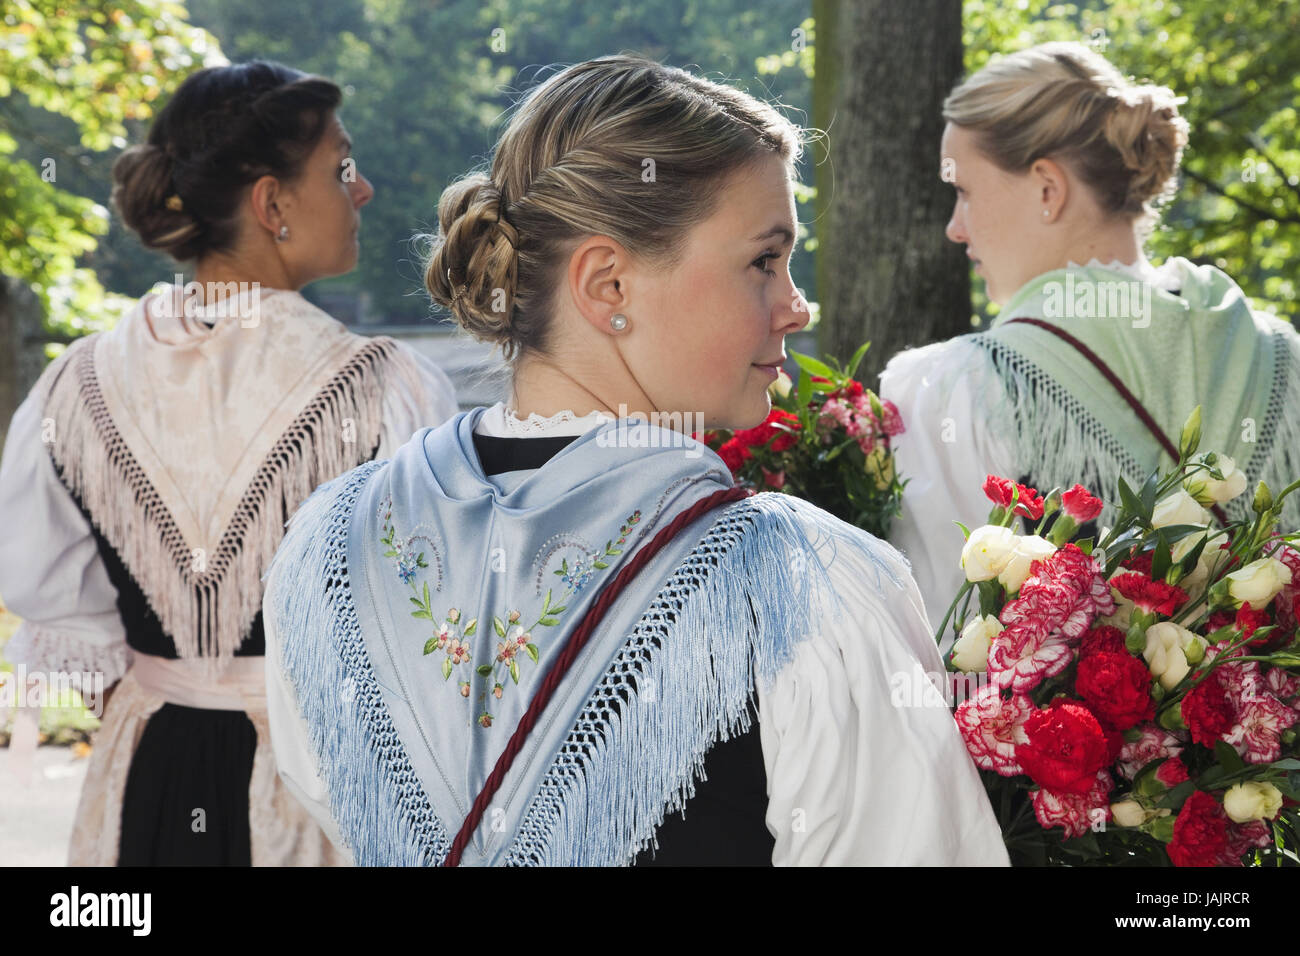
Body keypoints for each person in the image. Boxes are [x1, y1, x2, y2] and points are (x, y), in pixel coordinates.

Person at [262, 54, 1008, 867]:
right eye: (764, 259)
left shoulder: (328, 548)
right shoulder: (806, 583)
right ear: (608, 286)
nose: (799, 305)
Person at [0, 61, 458, 865]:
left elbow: (50, 593)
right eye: (341, 167)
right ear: (271, 203)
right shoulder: (388, 391)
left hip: (148, 774)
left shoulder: (76, 384)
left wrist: (180, 682)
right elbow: (434, 629)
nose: (365, 189)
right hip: (319, 789)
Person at [880, 42, 1300, 637]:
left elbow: (945, 648)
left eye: (965, 191)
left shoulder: (959, 386)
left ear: (1048, 189)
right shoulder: (1284, 356)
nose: (955, 227)